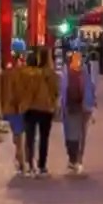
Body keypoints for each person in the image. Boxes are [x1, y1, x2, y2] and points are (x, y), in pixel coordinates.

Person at [21, 47, 60, 177]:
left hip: (30, 107)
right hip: (45, 108)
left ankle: (30, 164)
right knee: (44, 138)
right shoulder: (50, 73)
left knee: (30, 137)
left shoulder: (27, 73)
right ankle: (42, 166)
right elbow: (56, 90)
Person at [59, 50, 97, 173]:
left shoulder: (67, 73)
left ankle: (73, 159)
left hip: (72, 107)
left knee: (71, 133)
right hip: (81, 107)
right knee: (80, 134)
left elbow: (63, 91)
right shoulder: (83, 72)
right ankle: (77, 159)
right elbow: (90, 87)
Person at [1, 52, 29, 176]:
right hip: (19, 108)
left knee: (17, 137)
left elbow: (2, 93)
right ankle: (21, 161)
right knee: (21, 137)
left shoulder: (5, 74)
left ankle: (20, 161)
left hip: (10, 109)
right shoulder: (21, 74)